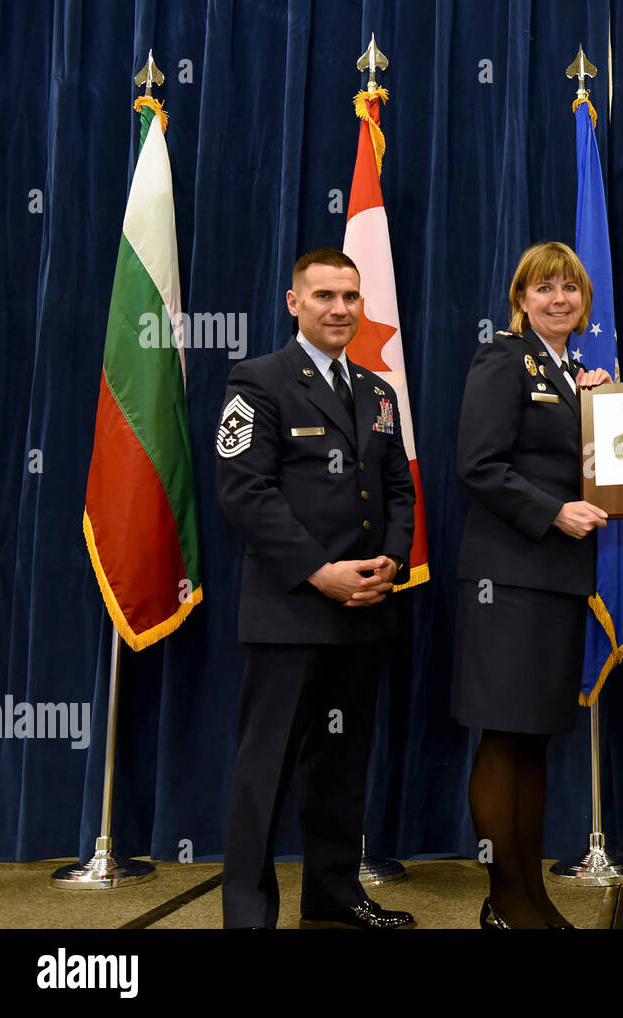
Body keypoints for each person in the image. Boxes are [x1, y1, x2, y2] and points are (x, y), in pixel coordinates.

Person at [215, 248, 416, 929]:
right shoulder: (258, 381)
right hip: (291, 612)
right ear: (294, 302)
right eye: (325, 296)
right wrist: (317, 572)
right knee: (264, 770)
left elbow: (398, 490)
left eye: (351, 297)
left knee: (342, 764)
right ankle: (247, 913)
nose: (340, 309)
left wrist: (390, 560)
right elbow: (245, 493)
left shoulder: (378, 392)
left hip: (364, 611)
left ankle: (334, 896)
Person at [452, 241, 612, 929]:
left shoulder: (576, 373)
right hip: (507, 583)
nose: (557, 300)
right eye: (543, 289)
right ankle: (505, 900)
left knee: (536, 740)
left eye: (569, 290)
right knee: (503, 738)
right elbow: (478, 466)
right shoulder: (502, 359)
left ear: (584, 302)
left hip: (557, 582)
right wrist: (553, 511)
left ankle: (531, 896)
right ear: (519, 300)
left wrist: (599, 410)